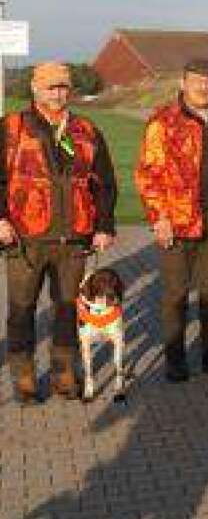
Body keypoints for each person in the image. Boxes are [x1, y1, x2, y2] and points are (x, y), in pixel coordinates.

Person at [1, 62, 117, 402]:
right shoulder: (12, 128)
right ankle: (23, 377)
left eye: (63, 87)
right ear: (35, 88)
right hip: (25, 238)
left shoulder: (86, 130)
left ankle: (64, 374)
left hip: (74, 240)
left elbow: (105, 183)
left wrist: (104, 226)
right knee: (21, 310)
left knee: (67, 309)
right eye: (50, 87)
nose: (57, 93)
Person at [135, 58, 208, 382]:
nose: (203, 86)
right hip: (177, 218)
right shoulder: (163, 121)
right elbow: (148, 174)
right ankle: (175, 358)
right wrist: (159, 217)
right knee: (175, 292)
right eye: (196, 80)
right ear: (183, 83)